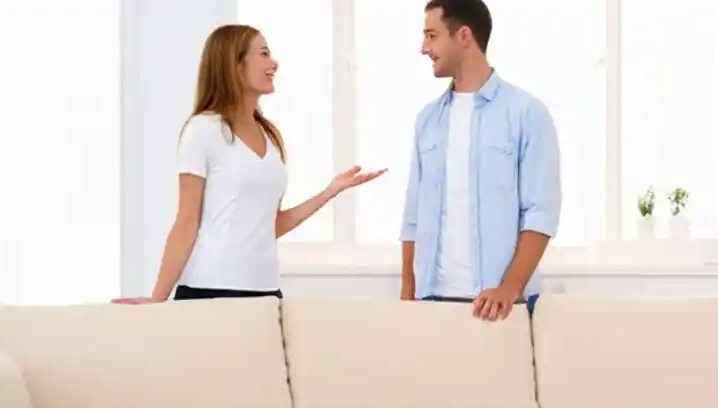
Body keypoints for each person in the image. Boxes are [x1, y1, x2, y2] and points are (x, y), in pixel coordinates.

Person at [116, 25, 385, 304]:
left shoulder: (270, 137)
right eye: (264, 54)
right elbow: (186, 222)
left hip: (265, 289)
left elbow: (270, 225)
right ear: (234, 64)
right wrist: (157, 299)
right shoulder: (203, 130)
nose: (274, 63)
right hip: (210, 287)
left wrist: (331, 190)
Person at [400, 0, 561, 321]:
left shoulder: (526, 113)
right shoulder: (427, 120)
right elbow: (413, 217)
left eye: (432, 35)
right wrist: (408, 293)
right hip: (432, 303)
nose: (423, 48)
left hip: (497, 308)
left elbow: (541, 214)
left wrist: (509, 289)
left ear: (463, 35)